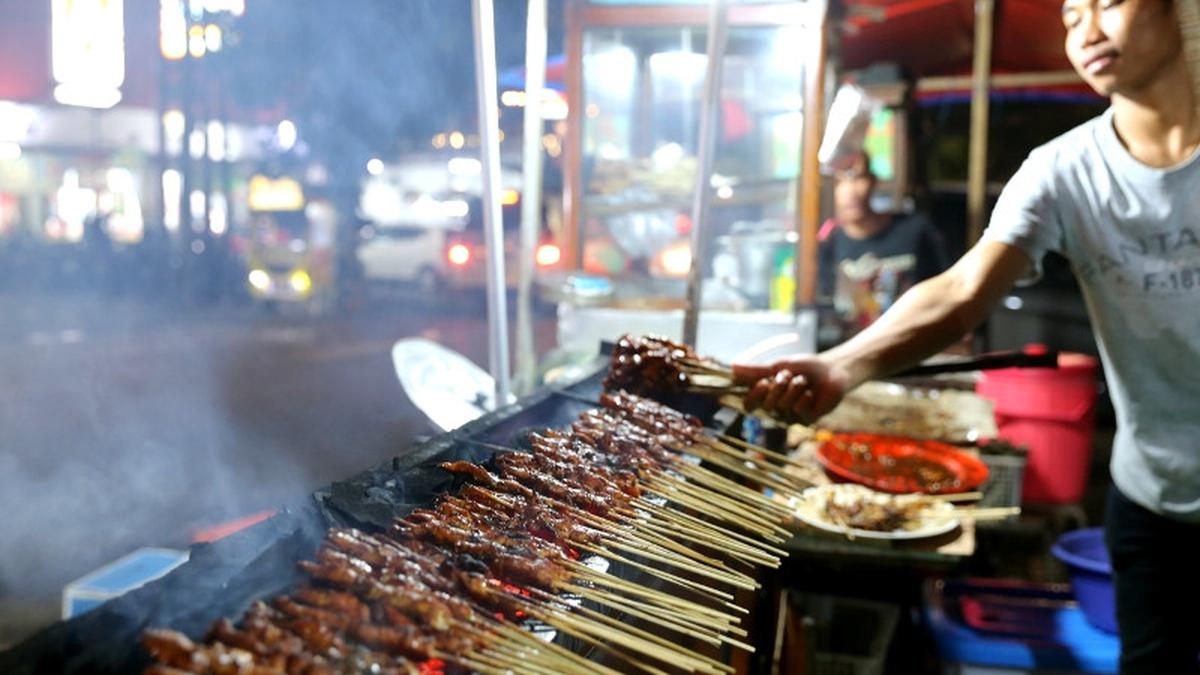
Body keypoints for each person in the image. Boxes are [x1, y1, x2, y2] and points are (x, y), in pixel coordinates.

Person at [733, 1, 1200, 672]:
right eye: (1072, 14)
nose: (1087, 31)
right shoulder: (1061, 171)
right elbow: (959, 290)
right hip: (1149, 499)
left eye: (1110, 2)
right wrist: (840, 368)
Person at [819, 149, 948, 339]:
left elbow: (946, 289)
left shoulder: (916, 230)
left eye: (858, 178)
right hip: (851, 347)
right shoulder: (829, 243)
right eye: (841, 181)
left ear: (873, 181)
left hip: (914, 342)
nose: (851, 191)